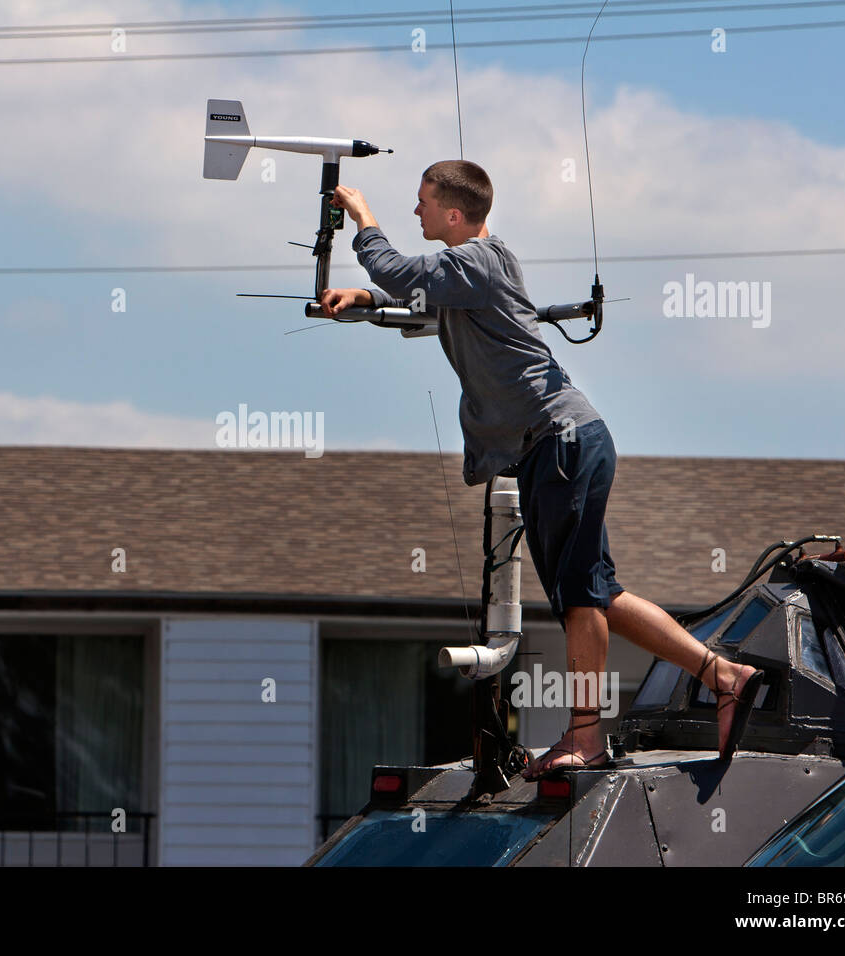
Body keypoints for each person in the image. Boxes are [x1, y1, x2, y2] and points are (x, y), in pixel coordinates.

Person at [320, 160, 762, 777]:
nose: (414, 211)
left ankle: (585, 736)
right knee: (599, 592)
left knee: (579, 597)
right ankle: (723, 675)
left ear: (453, 213)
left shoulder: (478, 261)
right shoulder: (467, 270)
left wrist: (363, 219)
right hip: (558, 444)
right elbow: (410, 289)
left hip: (561, 440)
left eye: (421, 202)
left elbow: (400, 268)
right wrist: (365, 297)